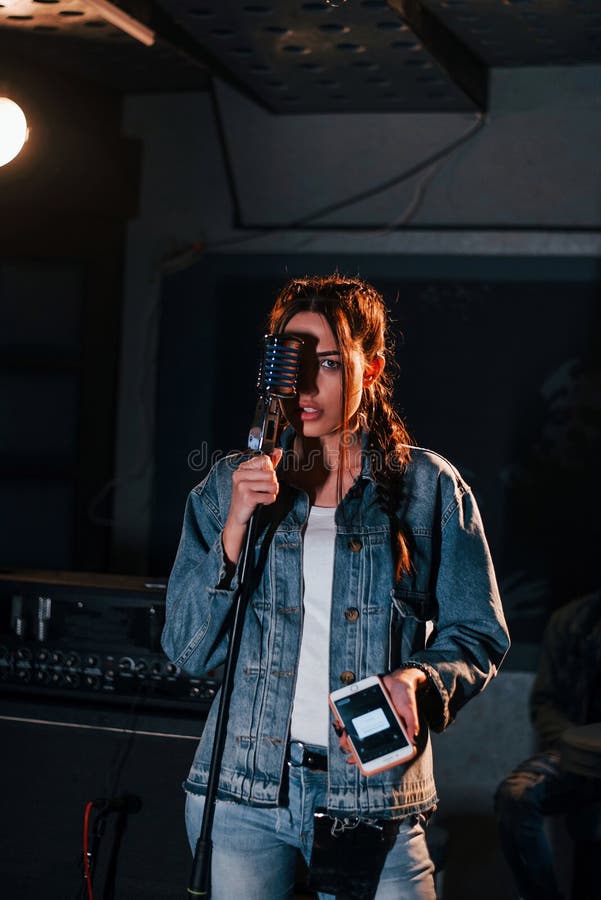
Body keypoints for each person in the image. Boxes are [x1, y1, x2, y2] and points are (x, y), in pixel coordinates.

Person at [161, 274, 510, 900]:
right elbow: (186, 650)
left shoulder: (429, 486)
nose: (305, 387)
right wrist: (237, 527)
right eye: (293, 361)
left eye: (327, 362)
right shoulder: (227, 487)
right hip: (242, 791)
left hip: (374, 796)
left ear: (370, 369)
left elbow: (478, 632)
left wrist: (419, 680)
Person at [494, 590, 601, 900]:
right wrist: (580, 747)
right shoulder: (574, 621)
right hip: (578, 755)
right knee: (516, 797)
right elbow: (545, 705)